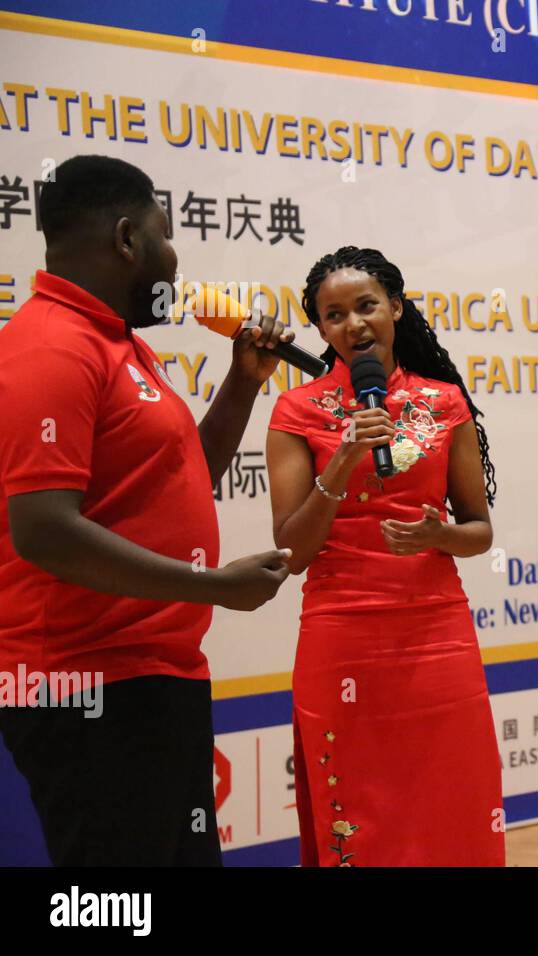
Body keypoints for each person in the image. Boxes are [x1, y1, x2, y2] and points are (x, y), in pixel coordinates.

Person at [0, 155, 294, 866]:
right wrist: (213, 586)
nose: (175, 259)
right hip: (89, 688)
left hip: (151, 678)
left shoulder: (120, 343)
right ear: (127, 238)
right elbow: (44, 532)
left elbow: (179, 477)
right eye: (166, 236)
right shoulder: (51, 347)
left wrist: (242, 384)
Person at [266, 246, 503, 866]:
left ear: (395, 308)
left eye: (367, 305)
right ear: (321, 330)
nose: (354, 324)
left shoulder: (444, 401)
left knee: (452, 802)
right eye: (334, 315)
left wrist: (438, 536)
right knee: (361, 816)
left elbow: (479, 531)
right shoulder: (296, 410)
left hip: (436, 633)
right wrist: (342, 461)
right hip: (341, 633)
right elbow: (292, 551)